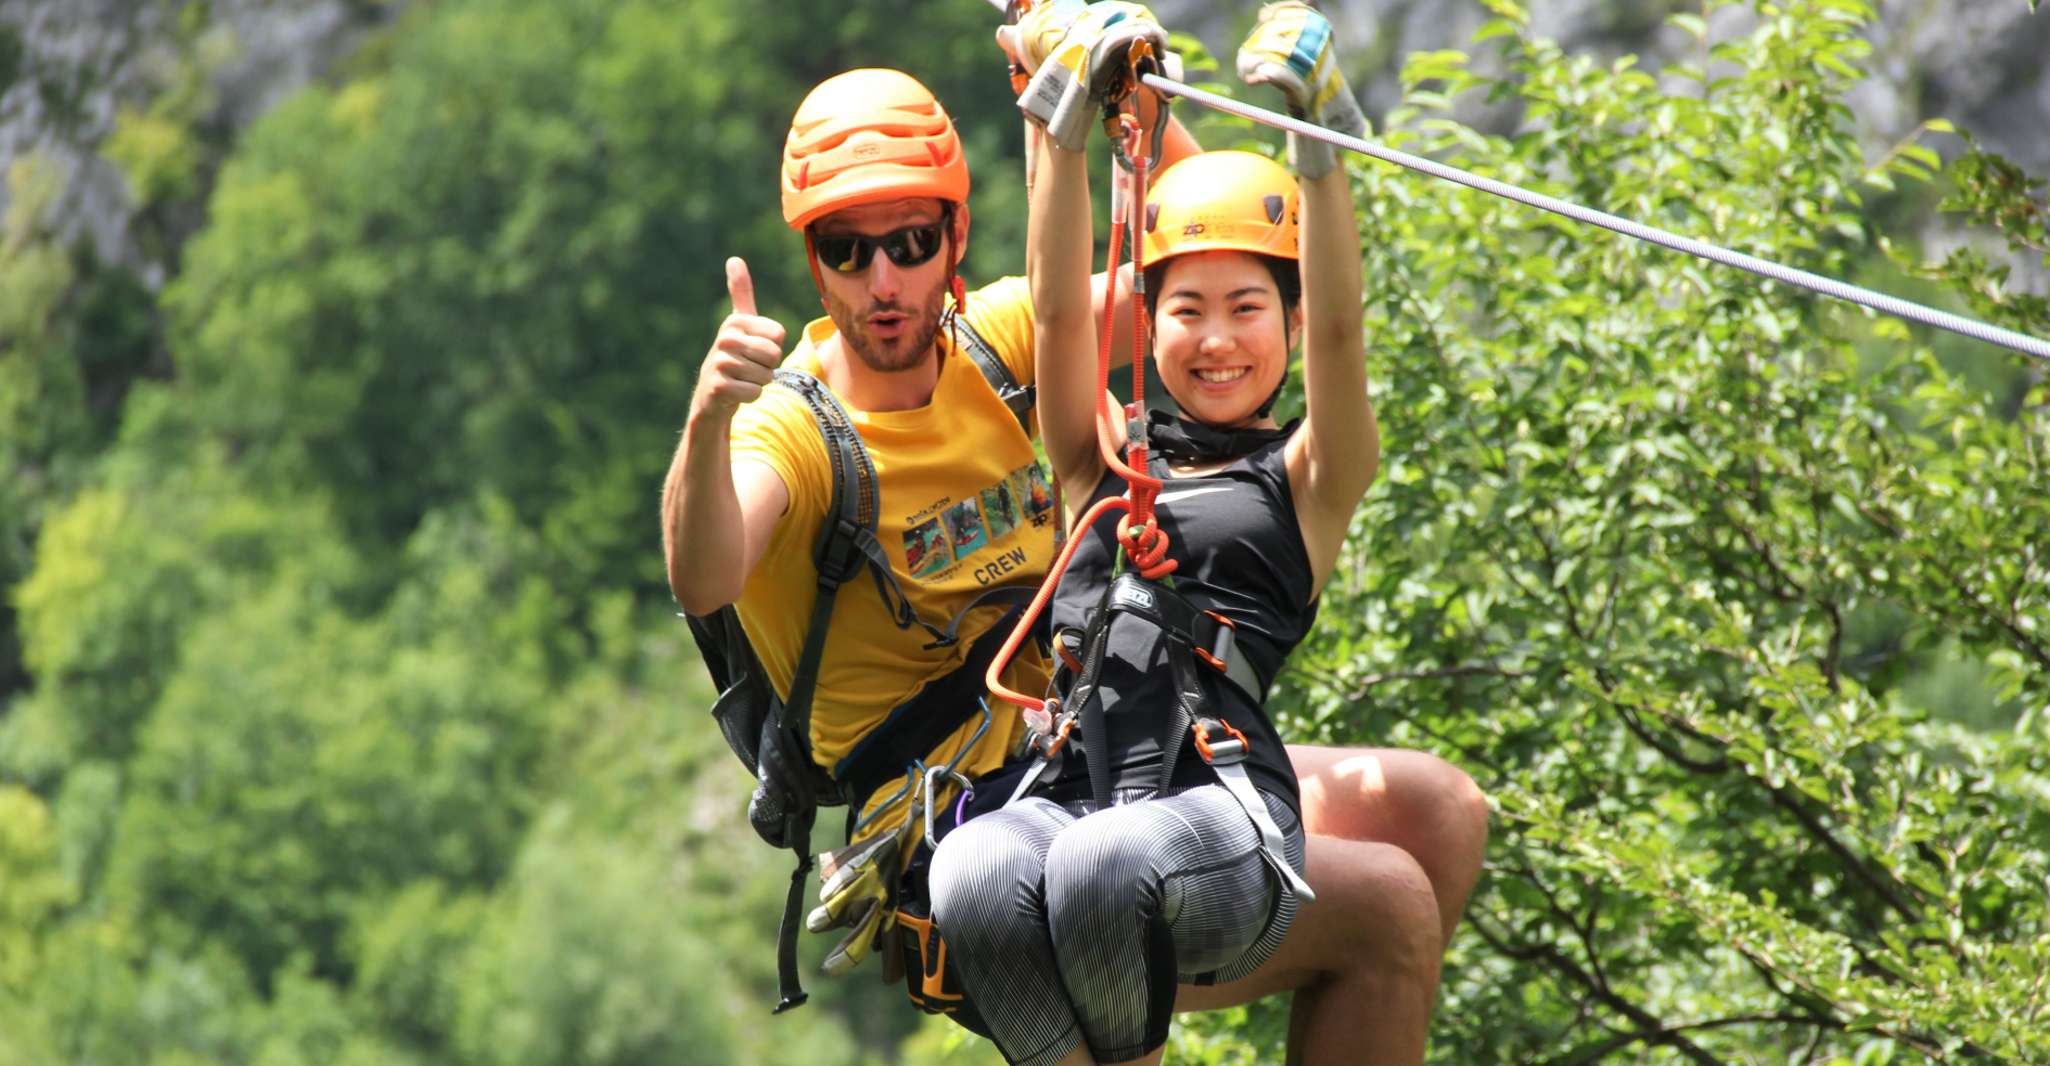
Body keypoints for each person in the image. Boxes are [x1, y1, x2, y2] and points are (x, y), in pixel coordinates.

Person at [659, 6, 1483, 1058]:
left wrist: (1131, 100)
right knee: (1385, 909)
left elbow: (1213, 272)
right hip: (959, 826)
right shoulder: (795, 432)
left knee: (1438, 808)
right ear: (811, 260)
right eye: (847, 248)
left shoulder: (992, 346)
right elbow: (705, 572)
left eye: (910, 241)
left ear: (955, 233)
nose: (883, 280)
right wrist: (707, 415)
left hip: (1088, 742)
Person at [923, 7, 1433, 1064]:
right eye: (1185, 308)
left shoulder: (1309, 476)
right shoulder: (1096, 462)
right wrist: (1063, 128)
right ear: (1146, 324)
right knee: (967, 875)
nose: (1215, 338)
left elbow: (1343, 329)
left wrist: (1320, 137)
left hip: (1223, 818)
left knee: (1104, 864)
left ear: (1284, 328)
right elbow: (1062, 320)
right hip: (1073, 794)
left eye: (1247, 307)